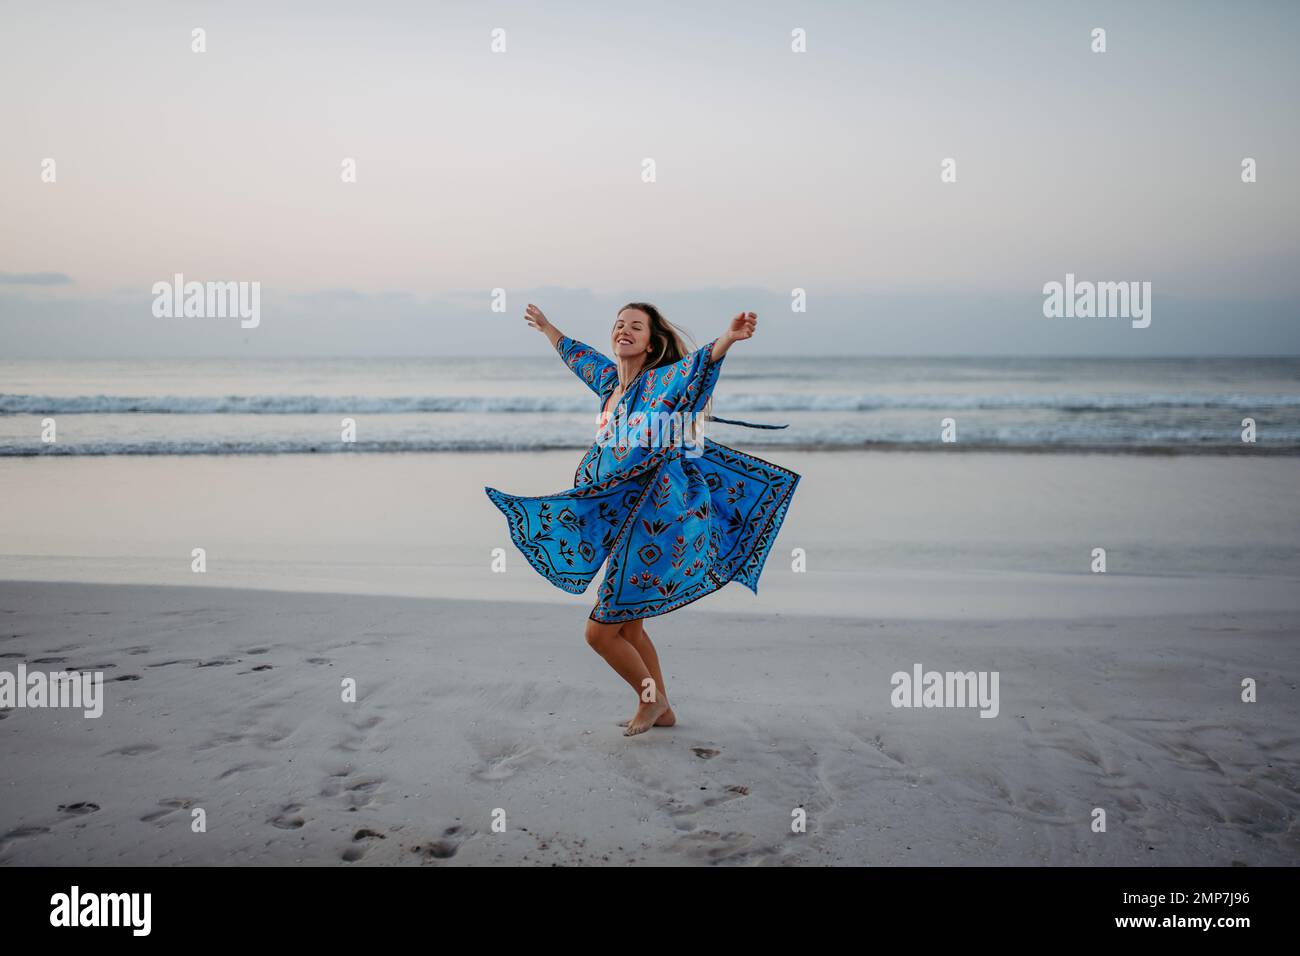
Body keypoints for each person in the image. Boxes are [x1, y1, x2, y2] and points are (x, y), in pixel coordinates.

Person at [484, 302, 800, 735]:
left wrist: (727, 339)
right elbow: (576, 355)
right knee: (629, 627)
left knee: (600, 634)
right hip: (626, 523)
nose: (623, 331)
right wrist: (547, 328)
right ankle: (661, 709)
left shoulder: (661, 382)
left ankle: (652, 702)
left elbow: (696, 367)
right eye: (618, 325)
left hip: (657, 521)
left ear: (652, 344)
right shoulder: (610, 383)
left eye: (635, 326)